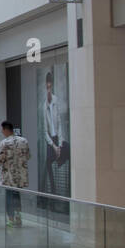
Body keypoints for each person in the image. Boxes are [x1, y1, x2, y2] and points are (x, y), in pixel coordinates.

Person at [40, 71, 70, 200]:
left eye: (50, 86)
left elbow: (59, 123)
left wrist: (60, 144)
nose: (48, 88)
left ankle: (65, 190)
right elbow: (44, 131)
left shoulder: (56, 101)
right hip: (50, 141)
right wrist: (53, 146)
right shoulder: (43, 106)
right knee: (48, 163)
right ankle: (51, 192)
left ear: (52, 86)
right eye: (47, 86)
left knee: (67, 153)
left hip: (59, 138)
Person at [0, 120, 31, 227]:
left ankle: (10, 219)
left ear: (6, 129)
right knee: (17, 196)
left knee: (9, 197)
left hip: (9, 177)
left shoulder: (4, 143)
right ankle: (18, 217)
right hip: (20, 175)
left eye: (2, 129)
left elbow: (0, 160)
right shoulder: (24, 141)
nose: (2, 132)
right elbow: (28, 156)